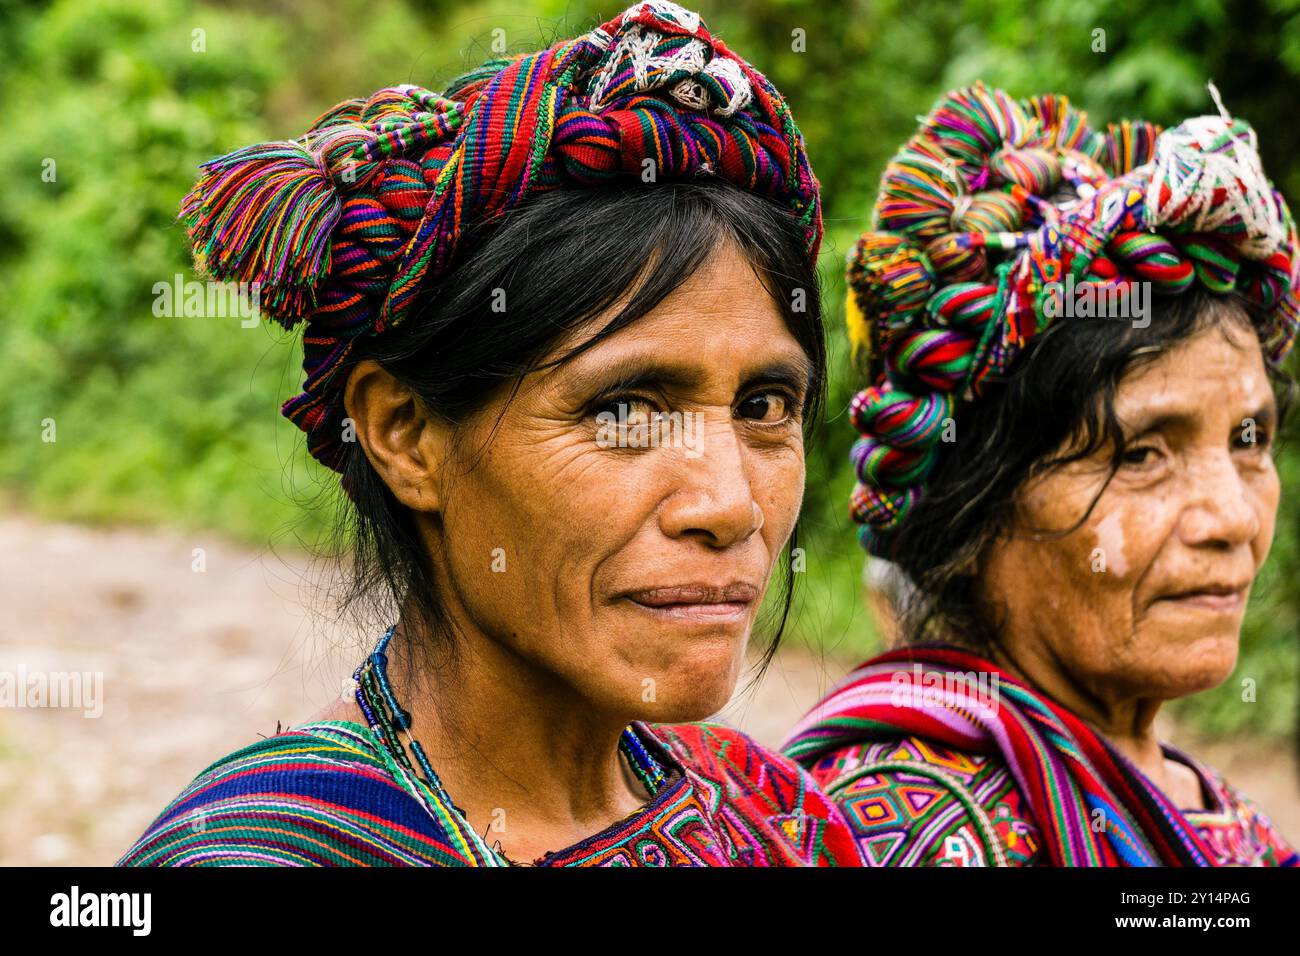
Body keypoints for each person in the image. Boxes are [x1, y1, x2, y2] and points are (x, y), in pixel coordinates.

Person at [117, 1, 860, 867]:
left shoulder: (771, 817)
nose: (730, 505)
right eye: (624, 411)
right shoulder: (257, 857)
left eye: (764, 407)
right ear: (404, 436)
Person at [783, 82, 1299, 866]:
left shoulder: (1220, 823)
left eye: (1248, 440)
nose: (1230, 518)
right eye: (1140, 453)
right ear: (975, 504)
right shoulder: (912, 834)